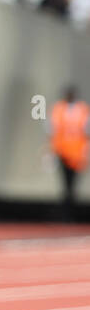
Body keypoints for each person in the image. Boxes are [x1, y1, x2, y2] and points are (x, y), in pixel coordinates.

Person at [50, 86, 89, 218]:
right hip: (62, 151)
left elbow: (86, 130)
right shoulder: (58, 108)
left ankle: (72, 213)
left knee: (73, 184)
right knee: (65, 183)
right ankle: (65, 214)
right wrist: (51, 151)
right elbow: (52, 130)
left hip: (77, 153)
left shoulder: (82, 109)